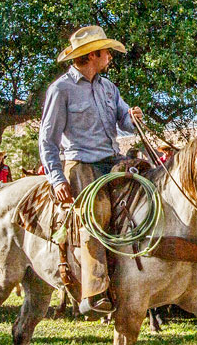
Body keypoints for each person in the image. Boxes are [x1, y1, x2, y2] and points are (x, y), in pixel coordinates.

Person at [38, 25, 143, 317]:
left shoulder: (109, 87)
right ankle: (94, 290)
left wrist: (133, 117)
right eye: (106, 51)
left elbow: (124, 122)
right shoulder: (61, 89)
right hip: (81, 163)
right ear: (92, 55)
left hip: (112, 159)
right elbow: (47, 140)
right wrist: (57, 178)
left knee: (148, 195)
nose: (110, 55)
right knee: (96, 213)